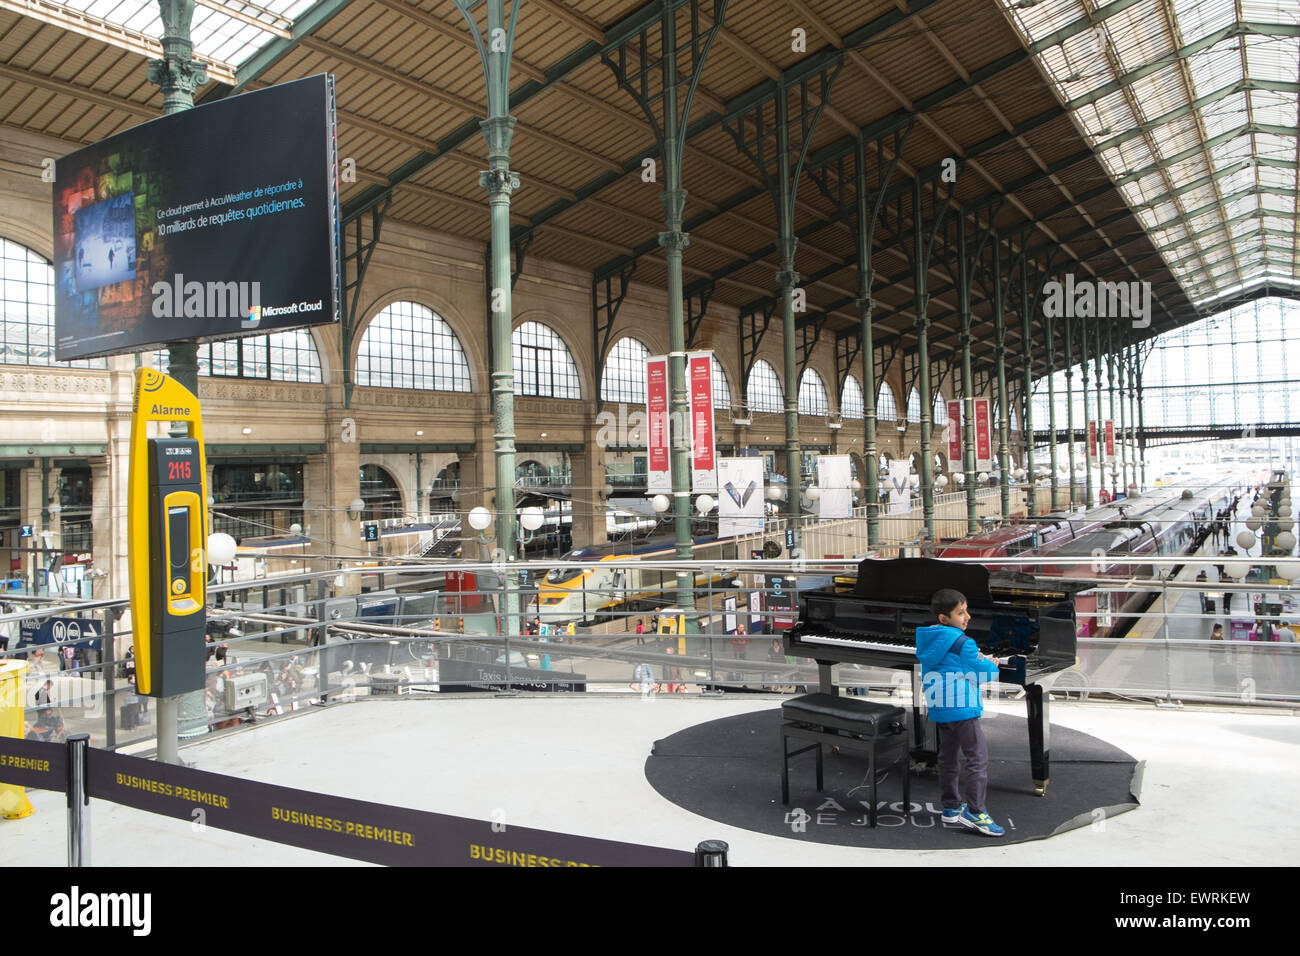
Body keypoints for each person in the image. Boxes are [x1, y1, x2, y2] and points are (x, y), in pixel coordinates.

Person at [916, 588, 1004, 837]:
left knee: (948, 757)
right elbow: (986, 673)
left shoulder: (930, 639)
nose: (968, 617)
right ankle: (976, 812)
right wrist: (992, 664)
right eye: (961, 613)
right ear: (945, 618)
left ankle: (951, 807)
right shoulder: (964, 643)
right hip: (962, 707)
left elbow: (953, 668)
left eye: (966, 611)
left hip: (941, 706)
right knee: (977, 758)